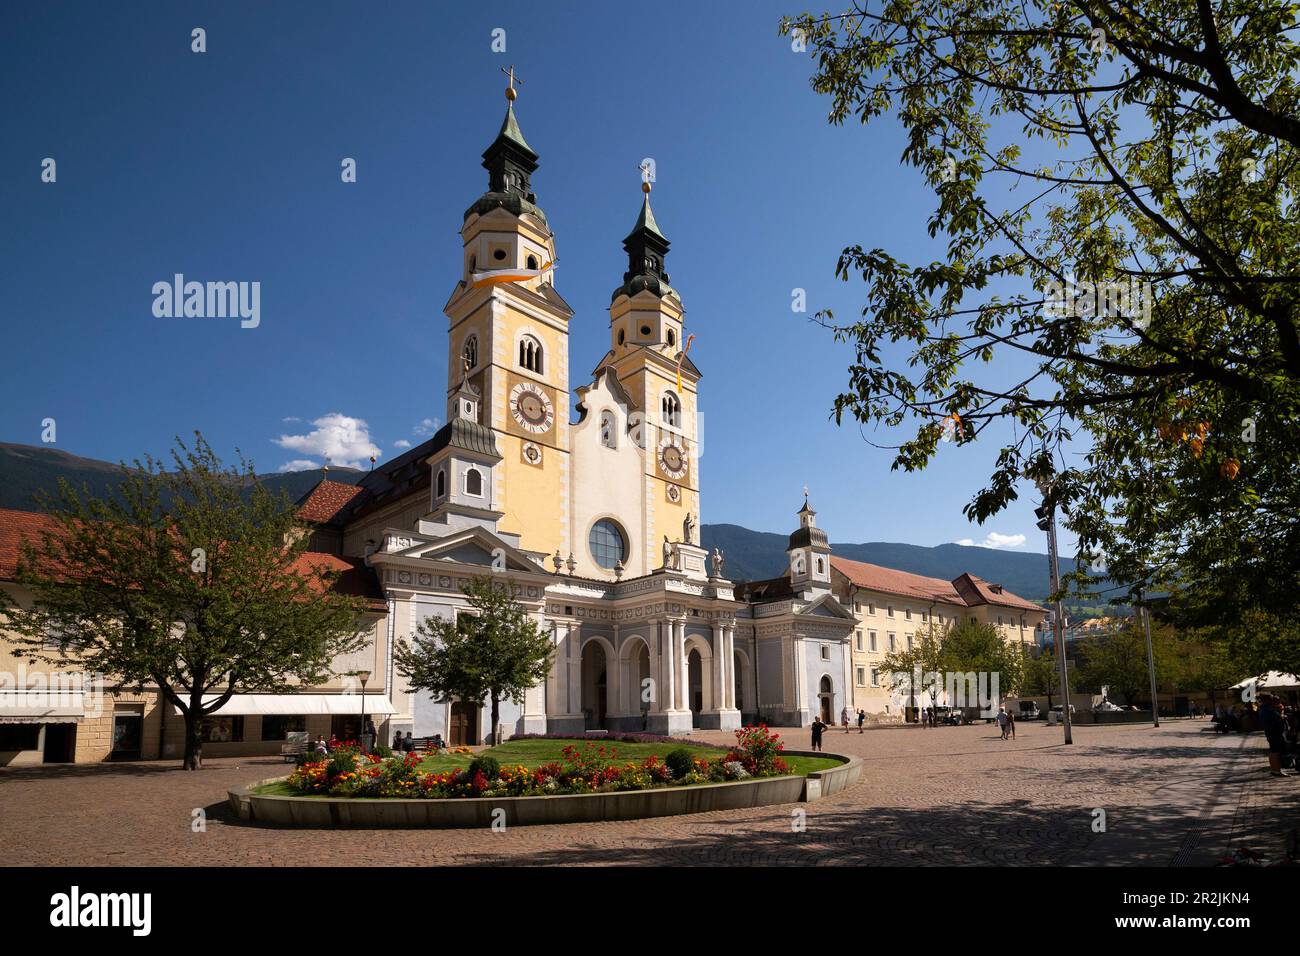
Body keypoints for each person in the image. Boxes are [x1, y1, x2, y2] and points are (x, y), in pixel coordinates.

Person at [1260, 695, 1293, 777]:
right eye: (1271, 700)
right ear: (1267, 700)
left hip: (1271, 732)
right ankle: (1277, 771)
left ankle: (1274, 770)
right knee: (1276, 752)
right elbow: (1278, 719)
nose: (1272, 701)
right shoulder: (1268, 710)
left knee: (1273, 751)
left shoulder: (1263, 709)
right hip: (1275, 733)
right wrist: (1282, 715)